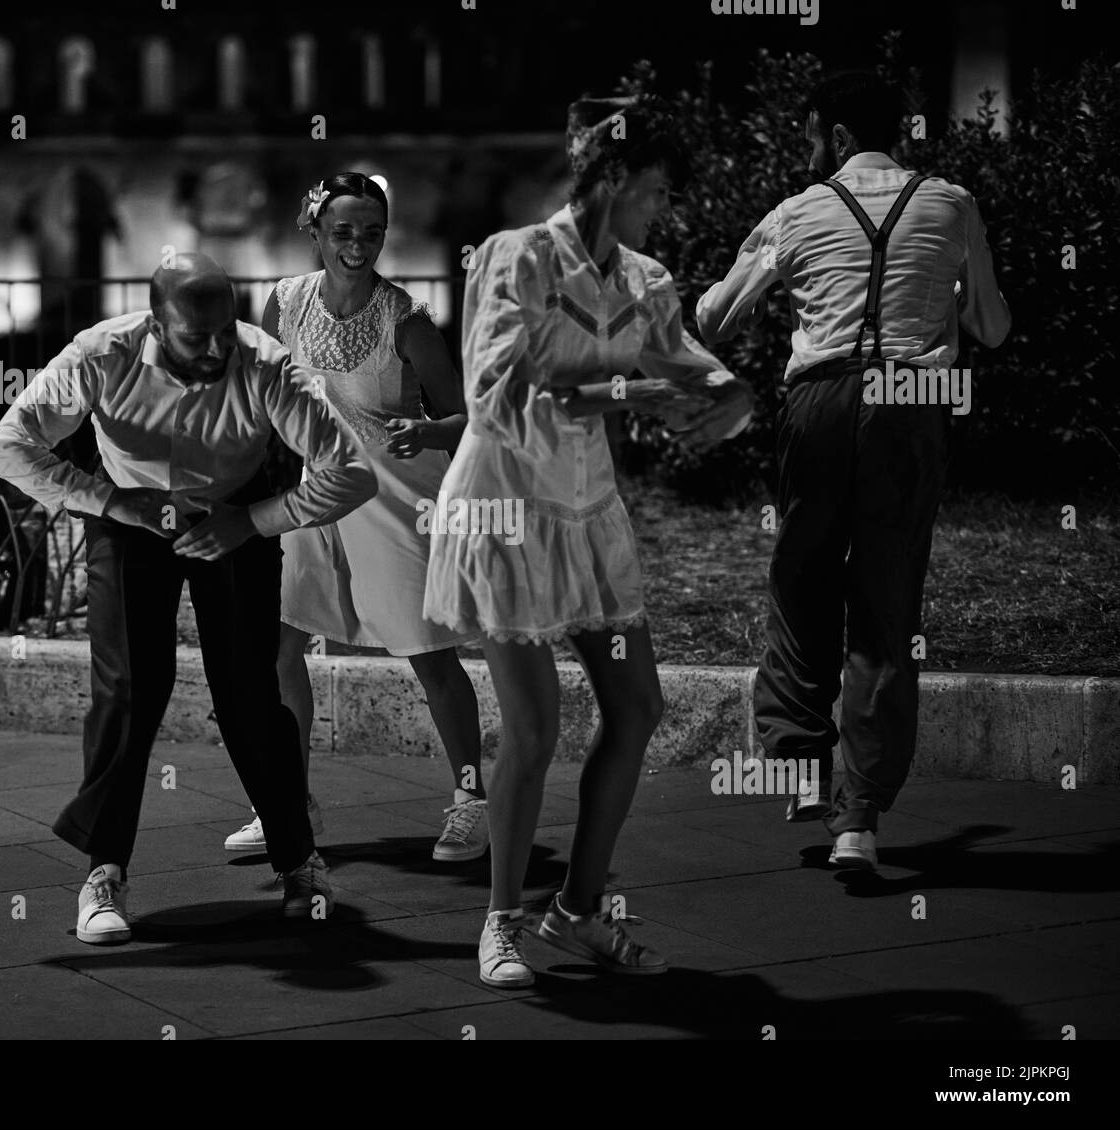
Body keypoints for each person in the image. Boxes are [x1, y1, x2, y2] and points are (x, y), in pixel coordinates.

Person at [424, 95, 755, 988]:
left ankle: (575, 912)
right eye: (650, 190)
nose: (660, 208)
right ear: (608, 179)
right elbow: (496, 391)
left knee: (637, 707)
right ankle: (498, 923)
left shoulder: (644, 279)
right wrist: (623, 393)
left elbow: (682, 358)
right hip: (503, 510)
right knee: (533, 728)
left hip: (586, 512)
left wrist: (727, 394)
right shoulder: (515, 258)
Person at [0, 252, 377, 943]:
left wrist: (252, 522)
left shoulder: (266, 364)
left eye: (226, 328)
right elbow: (8, 445)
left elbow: (352, 472)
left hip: (234, 514)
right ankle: (104, 873)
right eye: (197, 337)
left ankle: (299, 861)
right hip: (130, 517)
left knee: (251, 694)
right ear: (156, 324)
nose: (218, 347)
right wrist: (108, 498)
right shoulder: (101, 354)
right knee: (130, 690)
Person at [696, 71, 1011, 870]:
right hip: (914, 399)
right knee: (886, 599)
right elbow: (993, 326)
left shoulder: (798, 213)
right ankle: (858, 822)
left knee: (801, 576)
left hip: (823, 400)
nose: (807, 150)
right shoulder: (952, 202)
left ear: (836, 137)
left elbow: (717, 317)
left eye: (809, 135)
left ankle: (801, 763)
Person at [221, 172, 489, 863]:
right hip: (320, 487)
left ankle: (472, 801)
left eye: (372, 233)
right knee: (280, 645)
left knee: (429, 654)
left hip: (395, 496)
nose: (358, 245)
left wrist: (427, 433)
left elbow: (469, 422)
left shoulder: (408, 320)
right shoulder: (286, 301)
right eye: (343, 232)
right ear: (314, 231)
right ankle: (287, 803)